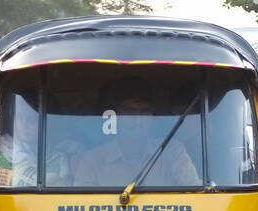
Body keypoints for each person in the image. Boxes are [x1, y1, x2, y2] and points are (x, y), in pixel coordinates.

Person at [71, 77, 200, 189]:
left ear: (152, 116)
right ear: (116, 115)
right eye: (130, 111)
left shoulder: (172, 152)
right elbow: (81, 210)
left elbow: (197, 195)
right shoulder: (92, 160)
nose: (138, 120)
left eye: (144, 111)